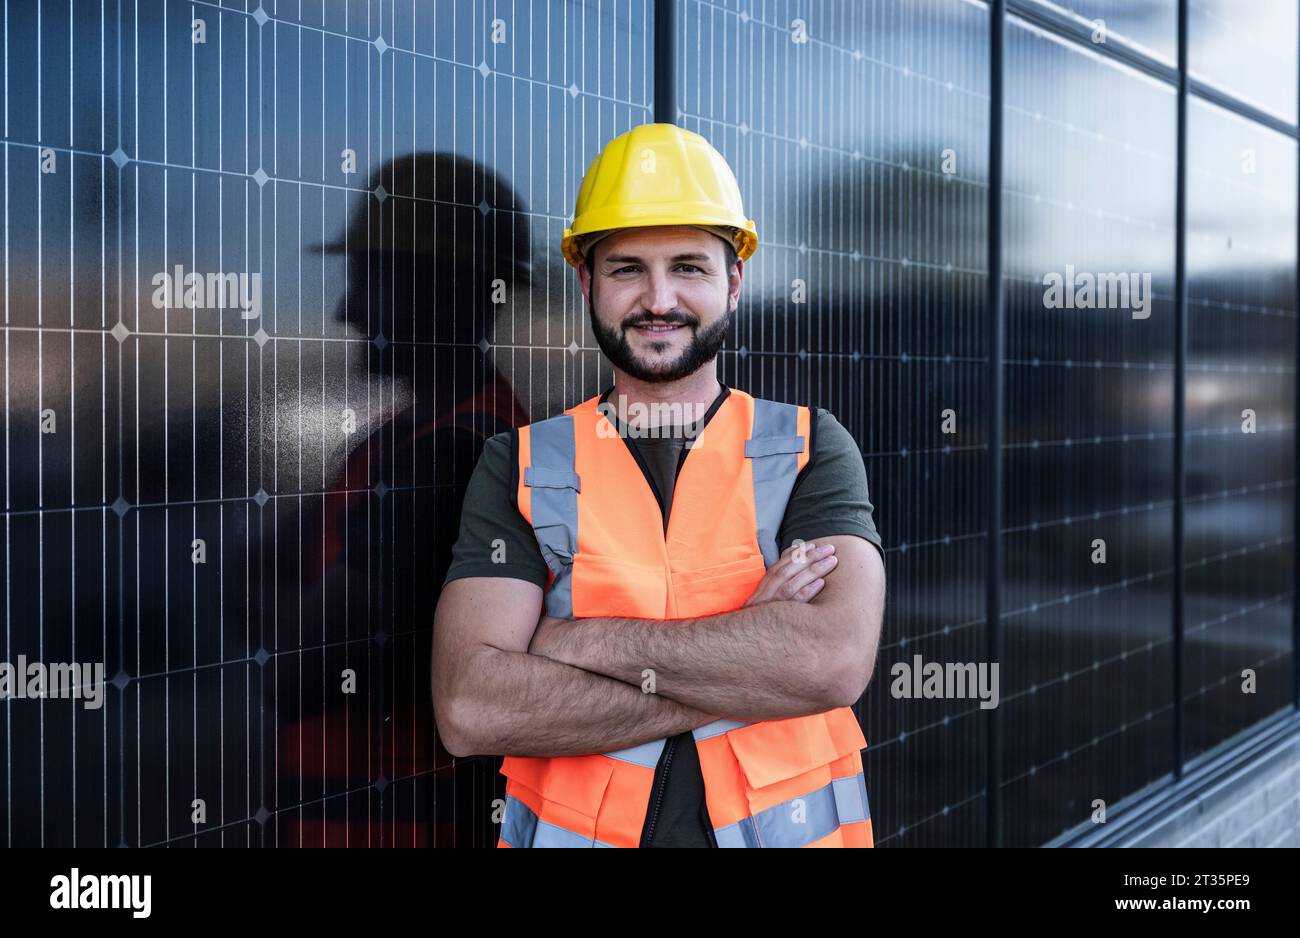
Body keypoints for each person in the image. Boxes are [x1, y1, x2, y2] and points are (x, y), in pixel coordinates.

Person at [432, 123, 887, 848]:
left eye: (689, 267)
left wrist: (564, 642)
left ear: (733, 283)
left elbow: (829, 662)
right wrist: (750, 658)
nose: (658, 297)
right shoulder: (518, 463)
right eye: (625, 270)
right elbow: (471, 709)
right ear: (586, 282)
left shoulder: (806, 448)